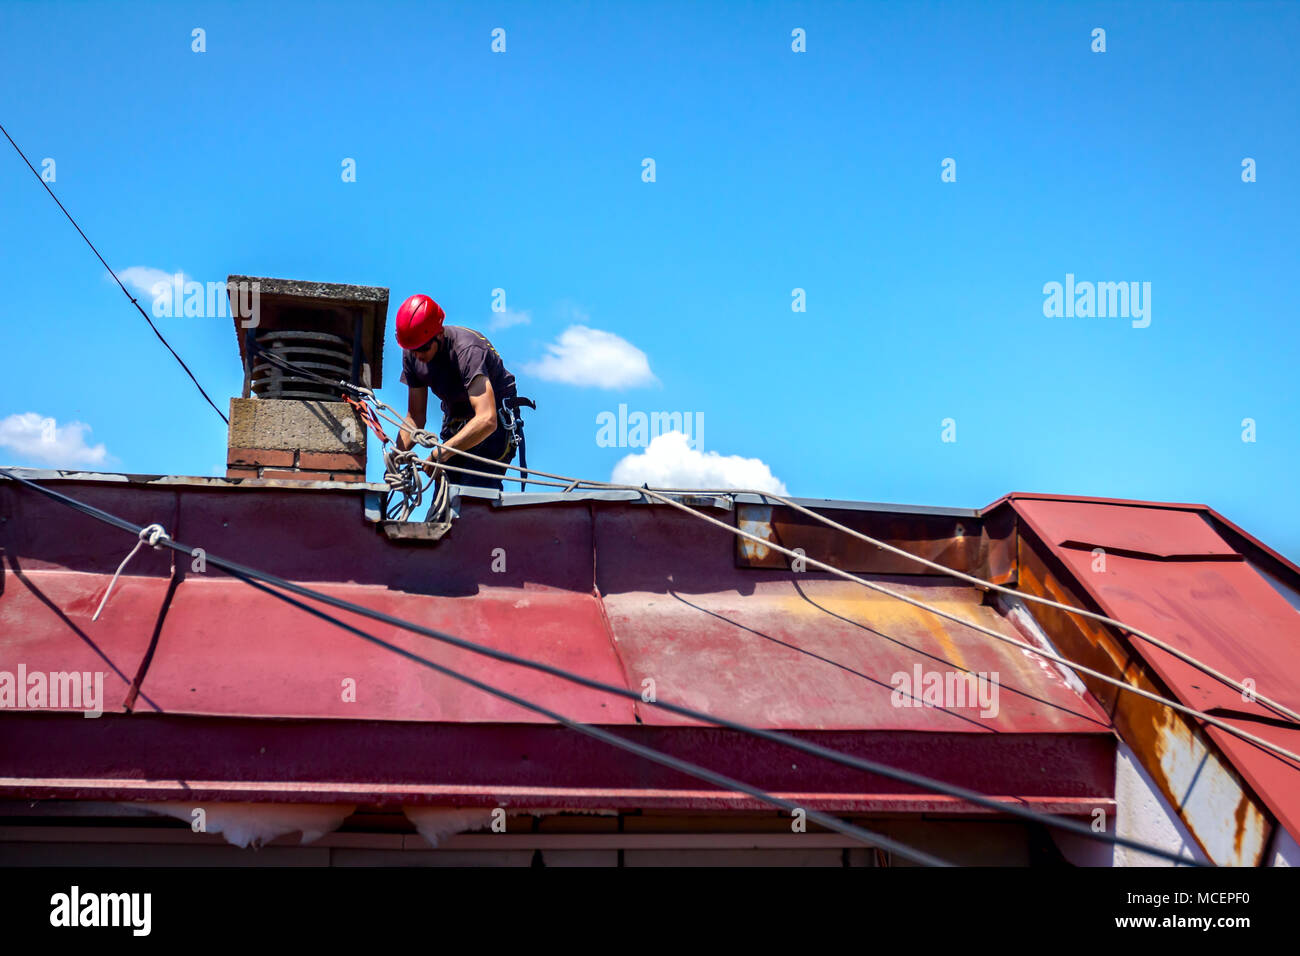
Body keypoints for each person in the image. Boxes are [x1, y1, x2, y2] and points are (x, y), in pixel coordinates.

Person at [393, 293, 527, 494]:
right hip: (456, 420)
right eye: (411, 350)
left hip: (494, 425)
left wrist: (441, 452)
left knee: (470, 496)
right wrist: (396, 457)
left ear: (438, 334)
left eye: (423, 349)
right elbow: (415, 418)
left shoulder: (467, 351)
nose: (417, 356)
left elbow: (487, 420)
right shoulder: (413, 351)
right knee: (444, 500)